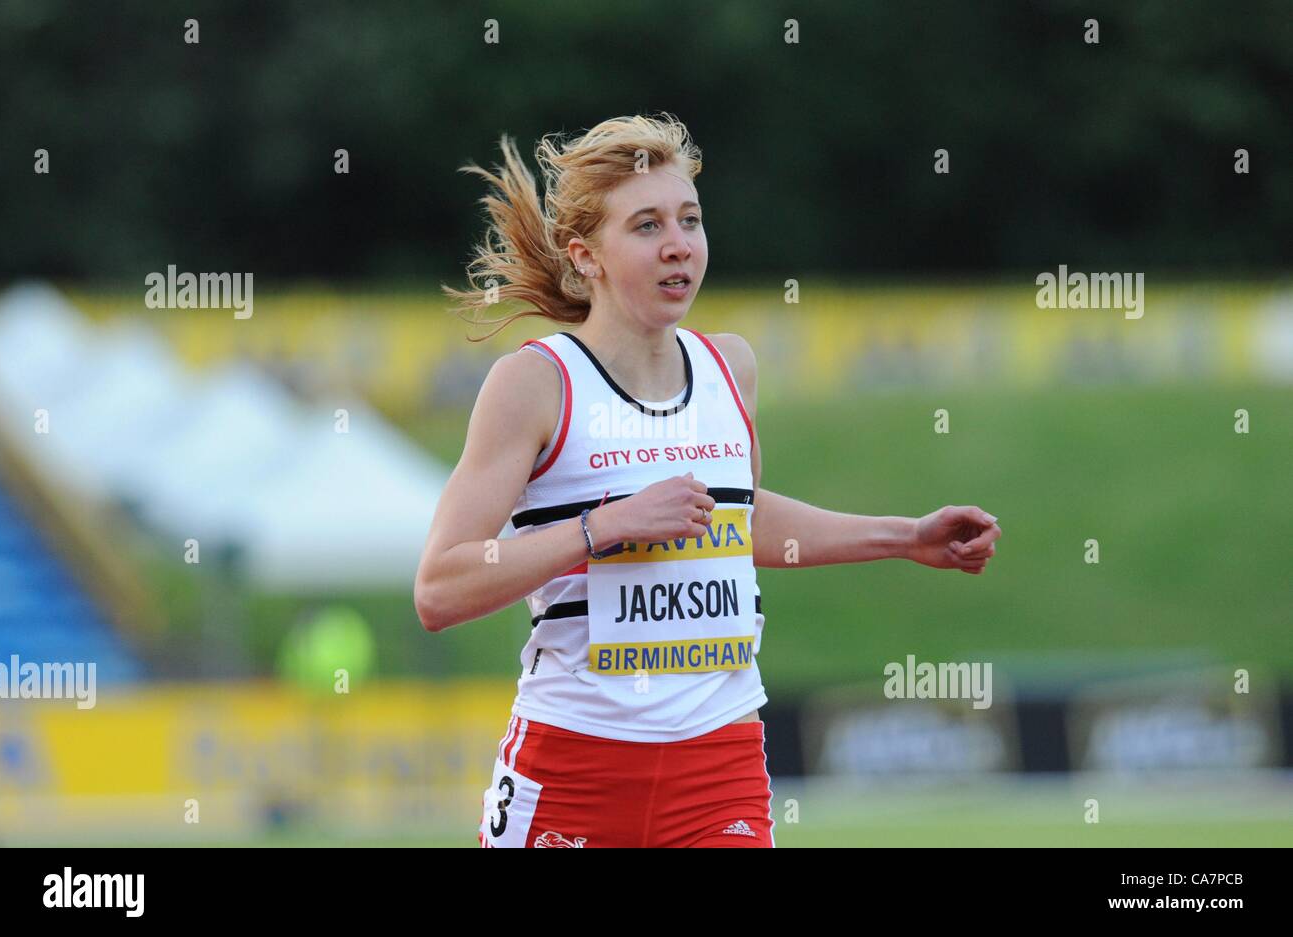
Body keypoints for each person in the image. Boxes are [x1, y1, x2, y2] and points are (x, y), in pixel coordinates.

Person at [414, 113, 1001, 848]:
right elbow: (440, 587)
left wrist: (906, 536)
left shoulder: (731, 370)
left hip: (718, 762)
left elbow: (738, 520)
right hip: (575, 769)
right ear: (585, 254)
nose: (678, 246)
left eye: (690, 220)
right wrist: (605, 526)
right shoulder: (536, 385)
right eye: (647, 225)